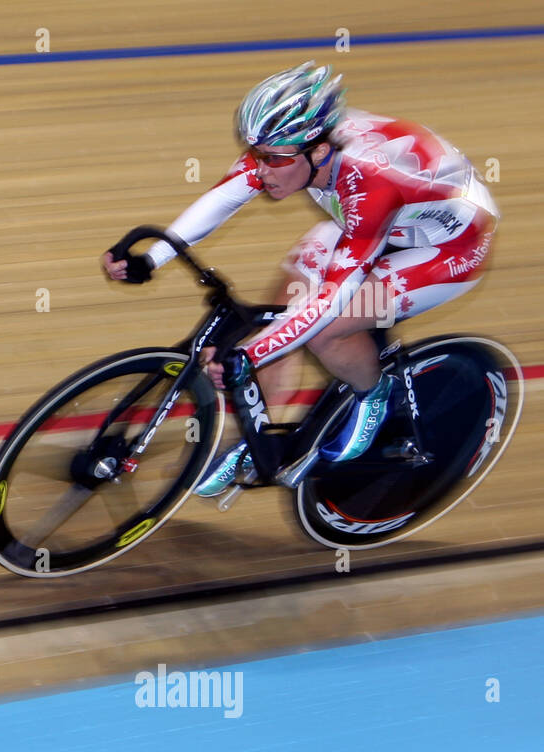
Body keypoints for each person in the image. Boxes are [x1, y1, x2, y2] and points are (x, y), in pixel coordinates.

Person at [103, 62, 498, 494]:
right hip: (377, 221)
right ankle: (257, 440)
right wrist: (154, 257)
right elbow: (224, 197)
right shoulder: (294, 144)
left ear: (319, 152)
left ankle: (374, 394)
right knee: (287, 298)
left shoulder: (368, 180)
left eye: (273, 159)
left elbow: (329, 301)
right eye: (256, 153)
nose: (261, 169)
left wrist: (249, 356)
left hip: (445, 248)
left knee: (327, 330)